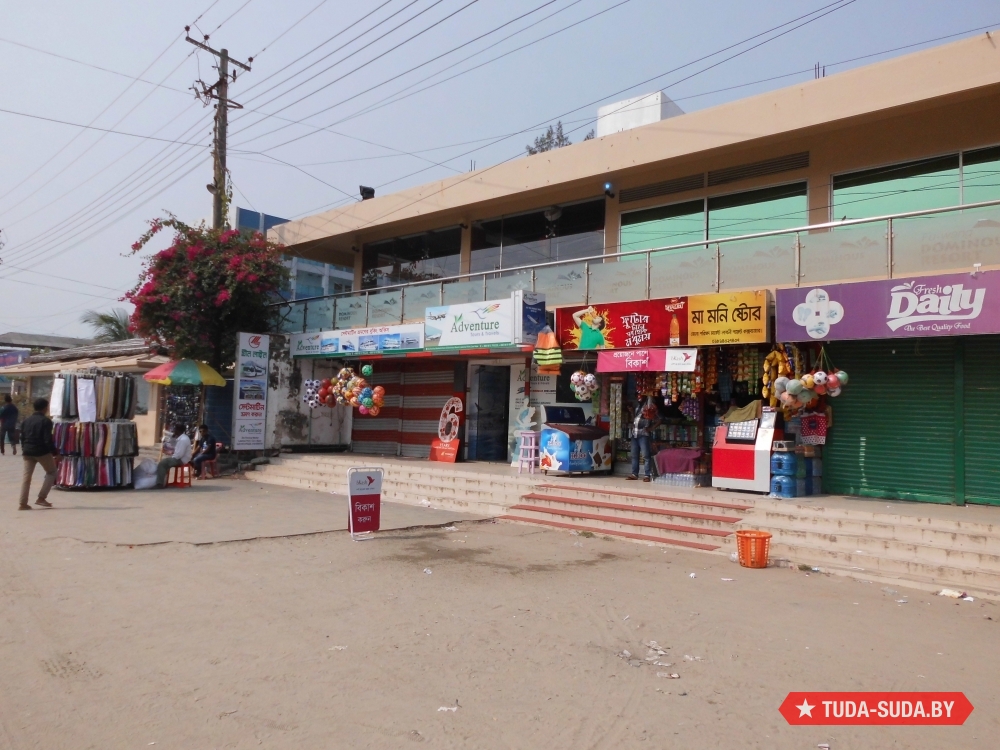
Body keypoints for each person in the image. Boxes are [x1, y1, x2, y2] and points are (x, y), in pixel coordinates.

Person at [18, 398, 57, 509]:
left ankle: (23, 503)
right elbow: (47, 440)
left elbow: (22, 437)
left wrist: (24, 449)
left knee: (26, 478)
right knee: (52, 472)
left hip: (27, 452)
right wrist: (55, 453)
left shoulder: (26, 421)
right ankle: (41, 497)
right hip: (41, 452)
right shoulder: (45, 421)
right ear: (45, 408)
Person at [627, 398, 658, 482]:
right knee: (634, 455)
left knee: (646, 456)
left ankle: (647, 475)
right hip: (635, 434)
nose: (638, 397)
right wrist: (631, 412)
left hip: (643, 434)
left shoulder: (649, 405)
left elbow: (660, 418)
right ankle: (634, 474)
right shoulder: (638, 406)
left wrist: (651, 428)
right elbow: (635, 419)